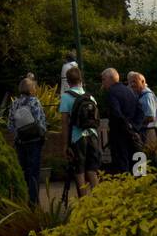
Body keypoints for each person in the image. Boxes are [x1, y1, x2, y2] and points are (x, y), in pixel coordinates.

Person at [58, 64, 100, 196]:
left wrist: (65, 145)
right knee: (92, 171)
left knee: (79, 172)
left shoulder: (66, 97)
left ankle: (84, 205)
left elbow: (64, 122)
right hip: (93, 136)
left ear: (68, 81)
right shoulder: (90, 97)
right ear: (81, 79)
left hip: (77, 137)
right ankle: (101, 202)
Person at [7, 76, 47, 204]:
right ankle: (34, 202)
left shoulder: (15, 103)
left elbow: (10, 125)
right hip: (34, 141)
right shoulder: (35, 102)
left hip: (21, 142)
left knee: (23, 171)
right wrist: (42, 135)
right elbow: (41, 121)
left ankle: (22, 201)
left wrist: (19, 134)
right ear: (32, 89)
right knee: (34, 172)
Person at [102, 67, 142, 173]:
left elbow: (116, 114)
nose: (103, 83)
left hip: (119, 134)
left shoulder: (111, 93)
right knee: (136, 166)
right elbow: (140, 111)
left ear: (109, 79)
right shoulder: (129, 91)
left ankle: (124, 188)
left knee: (121, 165)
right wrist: (135, 127)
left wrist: (126, 127)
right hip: (133, 133)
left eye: (103, 80)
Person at [128, 71, 157, 152]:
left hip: (148, 131)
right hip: (144, 130)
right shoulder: (140, 95)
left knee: (148, 156)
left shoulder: (147, 96)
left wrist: (134, 123)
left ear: (143, 82)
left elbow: (150, 117)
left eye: (135, 82)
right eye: (131, 82)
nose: (132, 84)